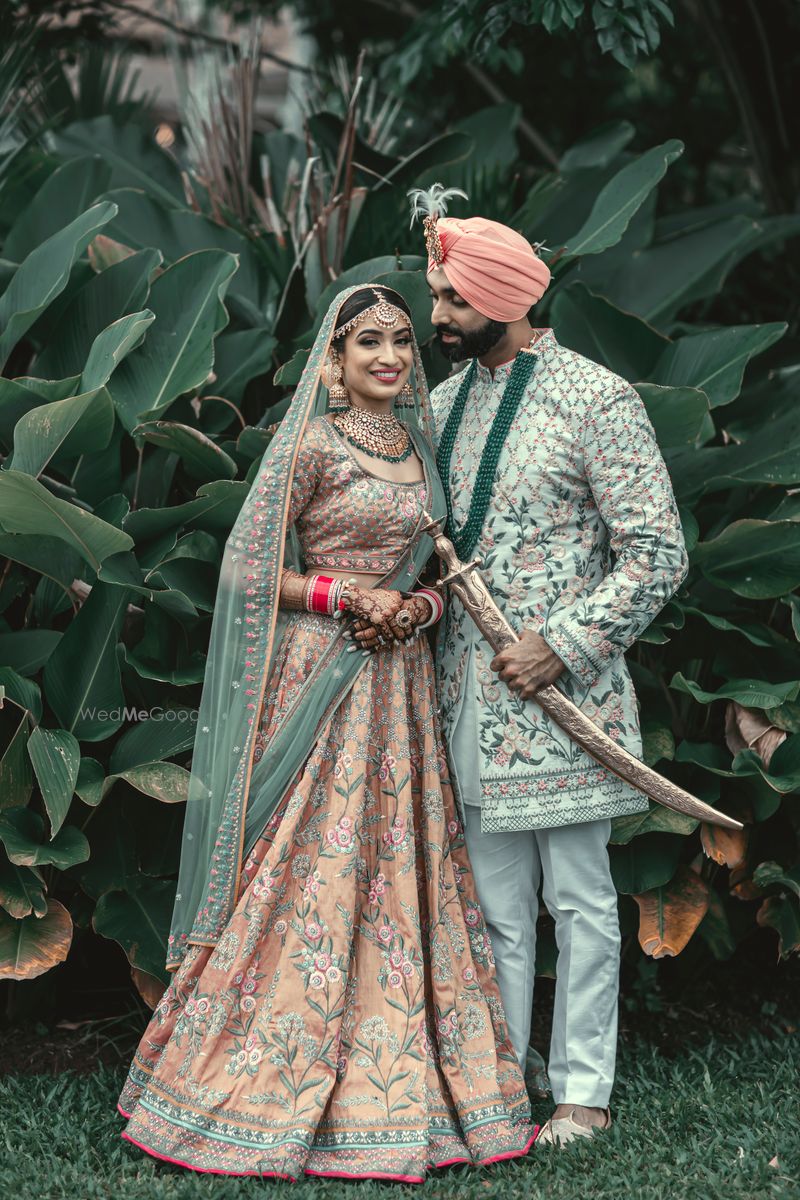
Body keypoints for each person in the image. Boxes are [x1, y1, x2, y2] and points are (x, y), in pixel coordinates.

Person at [117, 285, 536, 1181]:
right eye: (367, 343)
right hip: (322, 671)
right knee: (304, 850)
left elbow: (437, 572)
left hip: (400, 679)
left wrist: (416, 609)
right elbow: (248, 569)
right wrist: (344, 596)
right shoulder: (311, 444)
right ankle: (245, 1068)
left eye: (401, 341)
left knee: (397, 855)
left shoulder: (422, 449)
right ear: (335, 362)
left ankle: (399, 1070)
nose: (390, 356)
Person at [411, 187, 689, 1145]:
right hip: (463, 697)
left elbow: (657, 553)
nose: (438, 317)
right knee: (492, 908)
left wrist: (562, 643)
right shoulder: (440, 406)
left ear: (505, 297)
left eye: (453, 299)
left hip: (564, 702)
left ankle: (581, 1092)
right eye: (437, 297)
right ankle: (501, 1083)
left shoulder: (596, 399)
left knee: (579, 903)